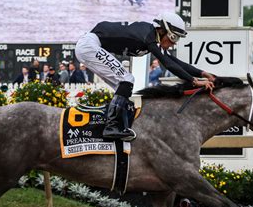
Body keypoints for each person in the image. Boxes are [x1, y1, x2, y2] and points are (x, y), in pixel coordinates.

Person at [75, 12, 215, 140]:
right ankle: (111, 127)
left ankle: (111, 122)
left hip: (90, 45)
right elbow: (168, 64)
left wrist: (201, 73)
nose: (174, 43)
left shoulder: (151, 35)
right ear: (162, 29)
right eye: (173, 37)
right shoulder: (149, 36)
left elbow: (174, 61)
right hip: (90, 45)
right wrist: (194, 81)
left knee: (123, 87)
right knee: (127, 79)